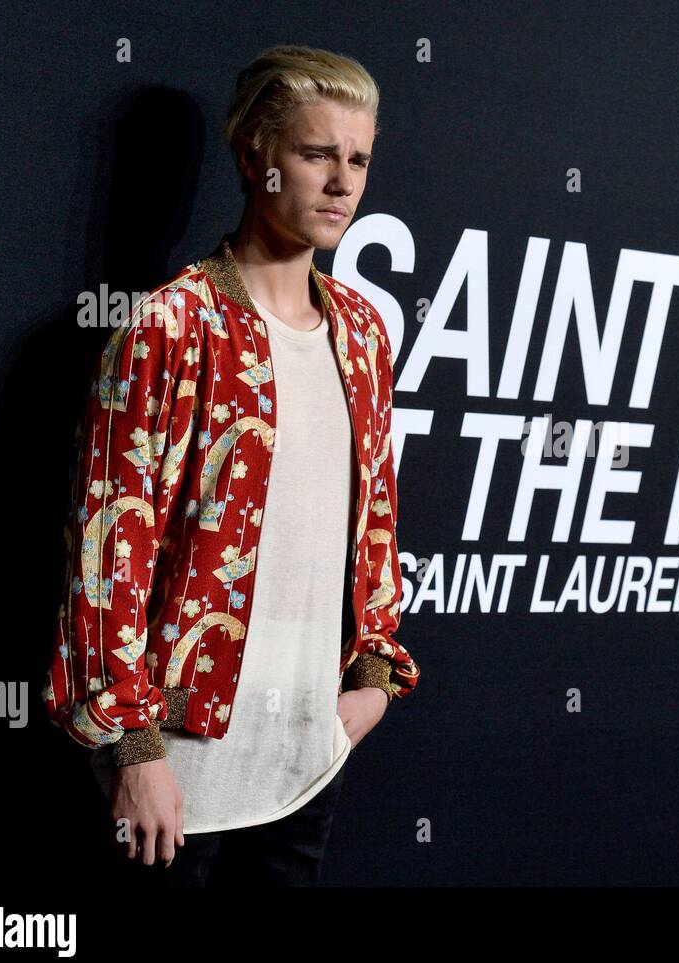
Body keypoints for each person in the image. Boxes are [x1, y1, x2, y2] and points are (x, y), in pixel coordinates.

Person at [43, 44, 420, 887]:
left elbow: (376, 522)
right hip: (178, 777)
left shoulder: (362, 333)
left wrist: (370, 684)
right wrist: (133, 750)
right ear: (256, 156)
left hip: (309, 760)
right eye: (317, 153)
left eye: (357, 158)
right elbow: (107, 556)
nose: (342, 182)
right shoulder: (171, 327)